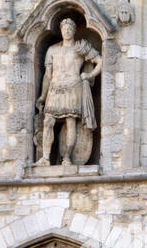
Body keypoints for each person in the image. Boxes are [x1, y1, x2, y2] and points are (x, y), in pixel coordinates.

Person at [35, 18, 101, 165]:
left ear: (74, 30)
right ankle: (45, 158)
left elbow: (100, 61)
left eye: (70, 29)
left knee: (70, 122)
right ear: (61, 30)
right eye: (65, 29)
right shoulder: (52, 49)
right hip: (54, 89)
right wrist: (42, 96)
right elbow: (47, 75)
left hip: (73, 87)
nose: (67, 31)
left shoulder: (80, 47)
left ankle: (67, 158)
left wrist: (89, 75)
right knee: (48, 121)